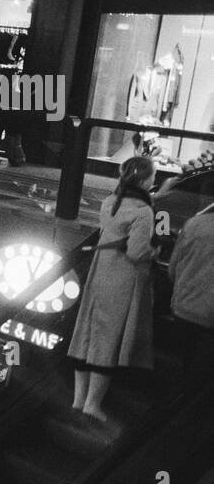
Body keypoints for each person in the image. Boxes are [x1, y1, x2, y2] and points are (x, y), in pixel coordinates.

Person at [67, 156, 159, 422]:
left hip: (100, 272)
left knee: (87, 334)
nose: (155, 180)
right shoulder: (143, 211)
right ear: (144, 180)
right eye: (153, 176)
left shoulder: (110, 202)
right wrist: (155, 251)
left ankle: (78, 399)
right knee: (109, 341)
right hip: (122, 279)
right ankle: (92, 404)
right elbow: (137, 251)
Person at [168, 202, 214, 395]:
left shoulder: (193, 224)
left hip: (183, 306)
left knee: (184, 358)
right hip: (209, 315)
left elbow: (173, 267)